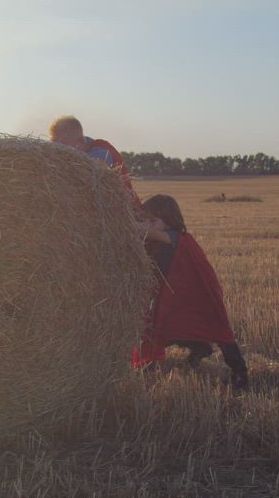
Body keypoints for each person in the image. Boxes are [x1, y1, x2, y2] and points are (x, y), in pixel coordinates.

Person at [133, 194, 250, 391]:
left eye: (153, 220)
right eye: (147, 220)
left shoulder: (174, 236)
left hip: (201, 293)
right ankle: (199, 348)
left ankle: (240, 372)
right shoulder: (156, 241)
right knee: (165, 326)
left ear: (169, 220)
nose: (149, 225)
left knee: (218, 330)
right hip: (177, 295)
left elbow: (145, 232)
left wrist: (120, 222)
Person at [48, 115, 140, 205]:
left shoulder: (102, 152)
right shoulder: (82, 146)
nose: (62, 154)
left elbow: (87, 170)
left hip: (128, 209)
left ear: (80, 141)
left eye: (65, 148)